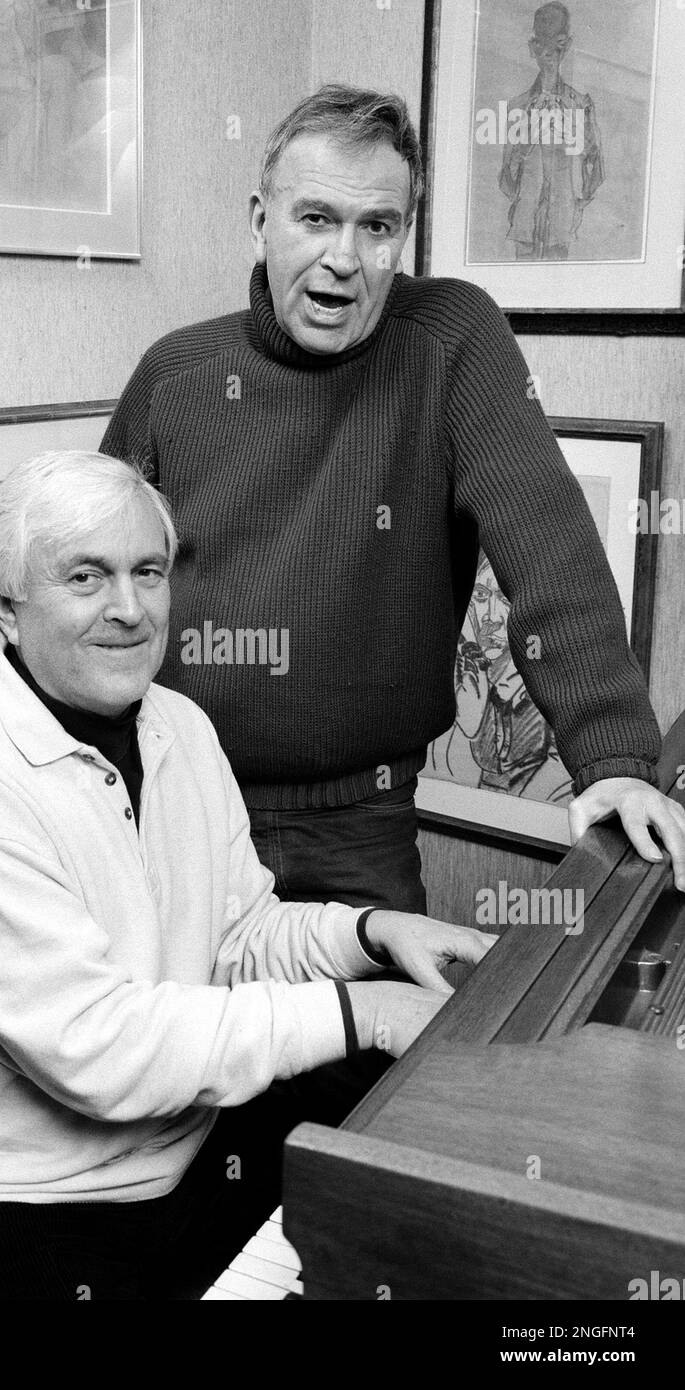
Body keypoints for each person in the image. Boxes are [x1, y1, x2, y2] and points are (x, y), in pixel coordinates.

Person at [0, 450, 493, 1300]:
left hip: (174, 1158)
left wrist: (369, 935)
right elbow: (101, 1049)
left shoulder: (178, 725)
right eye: (86, 577)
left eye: (147, 572)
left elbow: (239, 936)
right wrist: (360, 1012)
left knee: (418, 1210)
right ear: (7, 606)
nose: (129, 608)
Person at [100, 83, 685, 917]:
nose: (344, 256)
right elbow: (82, 589)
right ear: (258, 219)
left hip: (360, 826)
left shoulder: (449, 338)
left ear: (401, 235)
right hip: (173, 804)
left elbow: (546, 542)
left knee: (381, 1045)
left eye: (375, 226)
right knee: (187, 1047)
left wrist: (616, 758)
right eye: (314, 219)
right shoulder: (174, 374)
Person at [498, 3, 604, 261]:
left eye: (556, 43)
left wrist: (579, 201)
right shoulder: (517, 106)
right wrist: (524, 146)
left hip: (562, 225)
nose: (548, 52)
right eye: (541, 43)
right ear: (532, 47)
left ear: (566, 45)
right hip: (524, 225)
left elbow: (596, 166)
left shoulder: (580, 104)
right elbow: (505, 181)